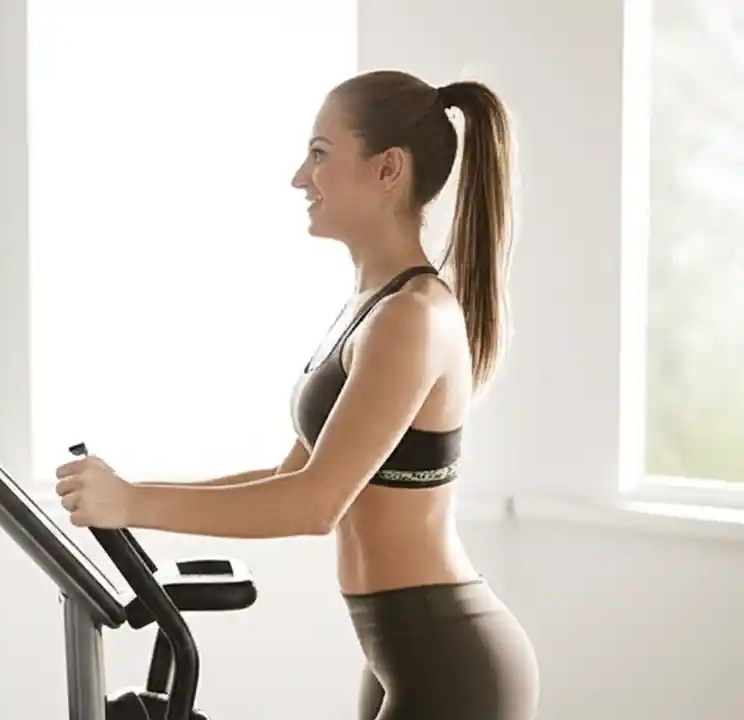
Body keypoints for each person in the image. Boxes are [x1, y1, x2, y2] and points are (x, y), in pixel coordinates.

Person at [53, 69, 539, 719]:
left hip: (446, 650)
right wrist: (128, 500)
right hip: (398, 645)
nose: (299, 179)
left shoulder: (413, 316)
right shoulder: (370, 308)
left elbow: (314, 505)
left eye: (319, 155)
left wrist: (133, 500)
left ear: (388, 169)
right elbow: (290, 475)